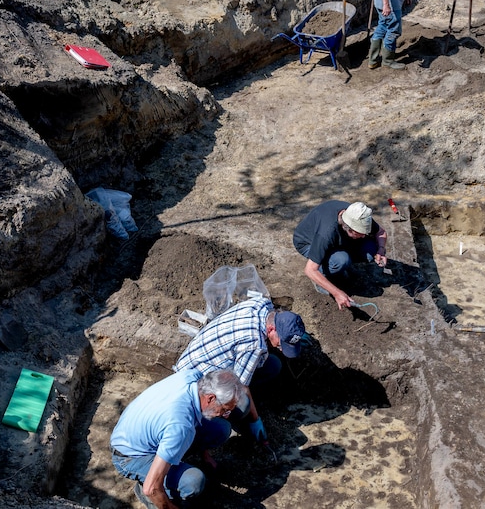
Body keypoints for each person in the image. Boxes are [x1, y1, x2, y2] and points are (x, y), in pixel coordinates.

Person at [174, 294, 308, 449]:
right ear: (271, 328)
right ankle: (225, 418)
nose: (280, 347)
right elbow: (240, 388)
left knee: (273, 365)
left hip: (208, 357)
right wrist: (255, 420)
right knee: (243, 404)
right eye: (282, 342)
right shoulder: (253, 345)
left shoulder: (262, 305)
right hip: (195, 378)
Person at [110, 369, 242, 509]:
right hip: (129, 457)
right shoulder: (180, 426)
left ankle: (171, 463)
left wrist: (204, 454)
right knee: (193, 482)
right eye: (224, 409)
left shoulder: (194, 378)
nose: (226, 414)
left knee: (221, 428)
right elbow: (151, 488)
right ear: (210, 398)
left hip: (136, 431)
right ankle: (148, 495)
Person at [293, 200, 388, 309]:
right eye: (360, 233)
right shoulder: (326, 233)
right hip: (307, 242)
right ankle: (323, 275)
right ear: (348, 228)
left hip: (334, 240)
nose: (363, 236)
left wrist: (381, 250)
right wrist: (337, 293)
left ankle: (337, 265)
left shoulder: (358, 215)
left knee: (371, 249)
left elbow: (380, 232)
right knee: (341, 260)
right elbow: (310, 270)